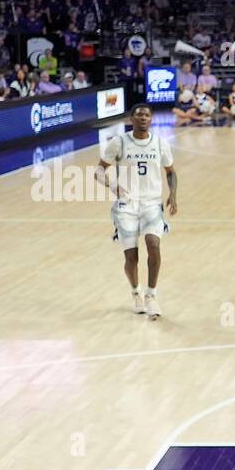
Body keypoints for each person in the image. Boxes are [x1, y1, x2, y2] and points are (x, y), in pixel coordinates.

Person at [98, 104, 178, 319]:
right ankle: (136, 293)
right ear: (131, 119)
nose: (143, 117)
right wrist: (113, 186)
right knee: (131, 257)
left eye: (147, 115)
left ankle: (152, 295)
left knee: (153, 245)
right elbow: (99, 170)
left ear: (151, 119)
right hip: (126, 205)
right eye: (139, 114)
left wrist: (173, 194)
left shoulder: (160, 143)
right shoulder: (119, 142)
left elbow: (170, 172)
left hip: (152, 203)